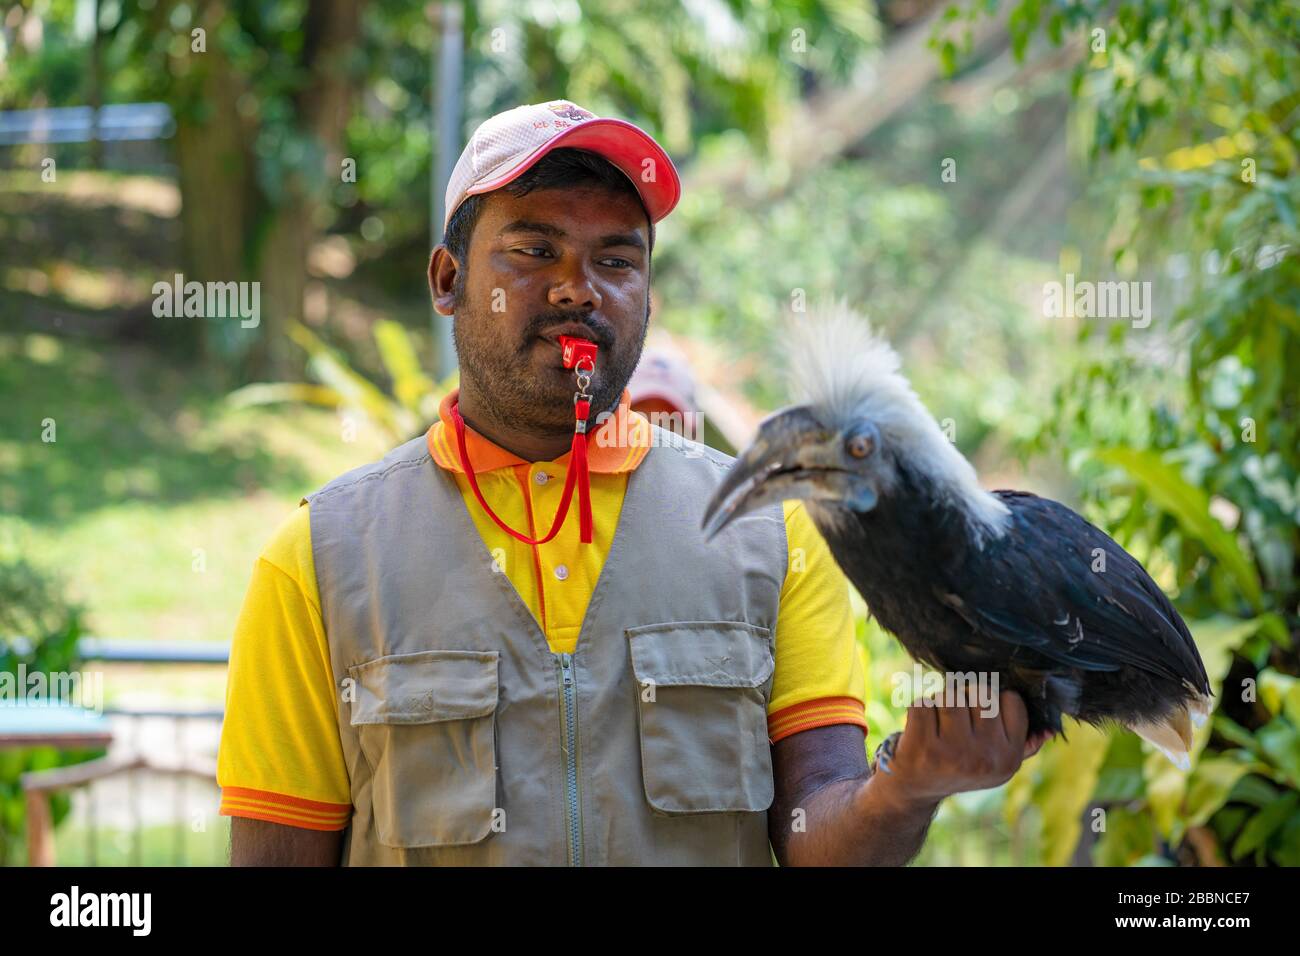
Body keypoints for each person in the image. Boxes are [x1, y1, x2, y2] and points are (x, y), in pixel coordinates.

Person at [217, 99, 1047, 866]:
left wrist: (906, 788)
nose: (580, 287)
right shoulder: (318, 562)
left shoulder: (775, 536)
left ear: (646, 298)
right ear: (447, 280)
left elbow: (816, 840)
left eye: (617, 259)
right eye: (534, 250)